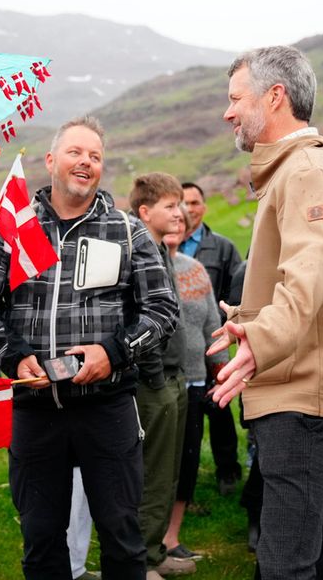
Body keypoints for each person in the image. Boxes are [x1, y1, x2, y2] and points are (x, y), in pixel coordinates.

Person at [0, 116, 178, 580]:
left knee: (122, 537)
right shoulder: (13, 228)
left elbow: (163, 311)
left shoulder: (128, 232)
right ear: (51, 161)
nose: (86, 162)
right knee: (41, 539)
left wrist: (115, 352)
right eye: (75, 152)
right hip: (34, 410)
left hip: (107, 409)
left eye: (96, 156)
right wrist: (13, 355)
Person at [209, 46, 323, 579]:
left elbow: (311, 270)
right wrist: (249, 313)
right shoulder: (295, 170)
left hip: (304, 392)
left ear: (275, 96)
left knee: (283, 564)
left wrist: (263, 338)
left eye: (236, 98)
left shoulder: (305, 169)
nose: (228, 112)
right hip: (304, 386)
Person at [129, 173, 192, 578]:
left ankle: (155, 550)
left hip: (173, 377)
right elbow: (140, 320)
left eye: (180, 204)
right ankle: (140, 561)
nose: (180, 212)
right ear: (145, 211)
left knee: (168, 470)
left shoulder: (161, 249)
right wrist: (154, 378)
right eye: (170, 206)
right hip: (153, 382)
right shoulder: (140, 252)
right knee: (151, 472)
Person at [161, 212, 228, 562]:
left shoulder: (195, 270)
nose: (175, 226)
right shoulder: (140, 264)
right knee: (155, 462)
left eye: (180, 223)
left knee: (185, 461)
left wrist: (222, 369)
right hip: (153, 383)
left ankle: (171, 538)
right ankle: (146, 538)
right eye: (168, 220)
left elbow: (212, 325)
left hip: (195, 381)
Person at [179, 182, 244, 494]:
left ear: (203, 206)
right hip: (183, 346)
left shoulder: (222, 247)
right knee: (186, 412)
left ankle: (228, 469)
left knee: (219, 406)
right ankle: (182, 479)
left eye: (195, 202)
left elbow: (237, 291)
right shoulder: (166, 246)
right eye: (183, 203)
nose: (189, 208)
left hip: (216, 341)